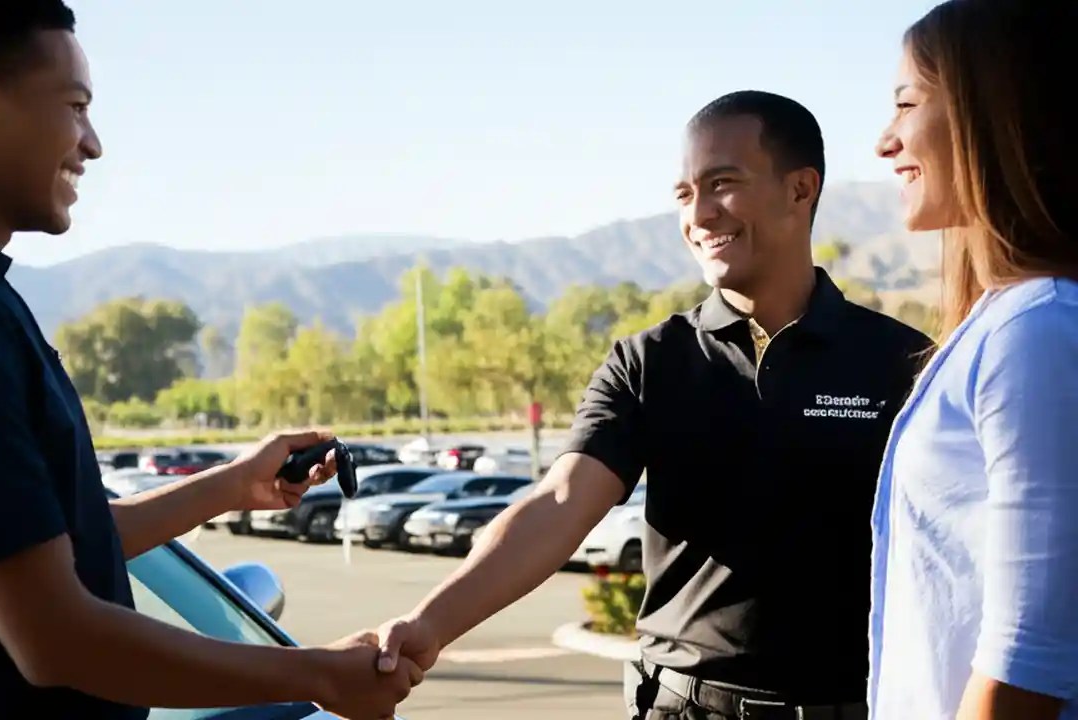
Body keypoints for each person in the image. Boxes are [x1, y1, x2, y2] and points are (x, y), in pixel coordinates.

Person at [0, 2, 421, 719]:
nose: (91, 144)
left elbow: (57, 549)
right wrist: (317, 675)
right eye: (74, 106)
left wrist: (232, 485)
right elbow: (58, 639)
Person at [370, 90, 934, 720]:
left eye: (722, 183)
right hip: (683, 708)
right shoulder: (649, 362)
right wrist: (430, 623)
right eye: (684, 194)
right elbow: (558, 504)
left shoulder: (905, 362)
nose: (699, 214)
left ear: (801, 189)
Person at [868, 2, 1078, 719]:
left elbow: (1029, 660)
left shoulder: (1038, 329)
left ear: (991, 115)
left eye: (906, 104)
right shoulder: (1001, 322)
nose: (884, 142)